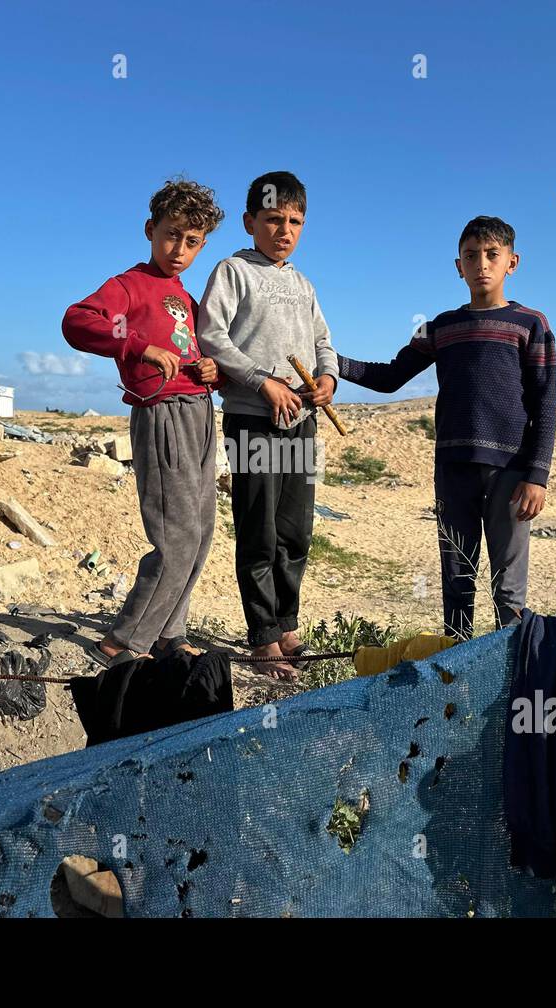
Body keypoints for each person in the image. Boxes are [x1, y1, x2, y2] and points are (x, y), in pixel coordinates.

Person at [335, 215, 556, 639]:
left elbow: (545, 403)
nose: (482, 265)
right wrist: (333, 362)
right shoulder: (440, 326)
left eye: (493, 255)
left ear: (513, 262)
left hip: (511, 471)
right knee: (457, 576)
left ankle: (506, 671)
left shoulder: (532, 324)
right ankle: (456, 677)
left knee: (507, 586)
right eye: (471, 256)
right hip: (453, 466)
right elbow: (390, 376)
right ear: (458, 266)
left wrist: (537, 476)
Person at [62, 178, 225, 666]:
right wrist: (137, 346)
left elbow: (194, 350)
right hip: (161, 414)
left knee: (200, 532)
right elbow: (77, 321)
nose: (180, 250)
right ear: (150, 229)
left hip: (199, 413)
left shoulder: (185, 298)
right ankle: (123, 640)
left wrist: (210, 371)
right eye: (172, 235)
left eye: (193, 242)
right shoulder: (129, 286)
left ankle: (169, 631)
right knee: (174, 536)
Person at [197, 171, 339, 679]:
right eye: (274, 219)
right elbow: (211, 336)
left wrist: (327, 379)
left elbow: (323, 341)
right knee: (258, 526)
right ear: (249, 221)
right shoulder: (233, 271)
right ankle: (261, 636)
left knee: (295, 527)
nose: (285, 230)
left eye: (295, 221)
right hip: (254, 420)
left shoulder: (302, 283)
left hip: (301, 422)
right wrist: (262, 382)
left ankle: (287, 624)